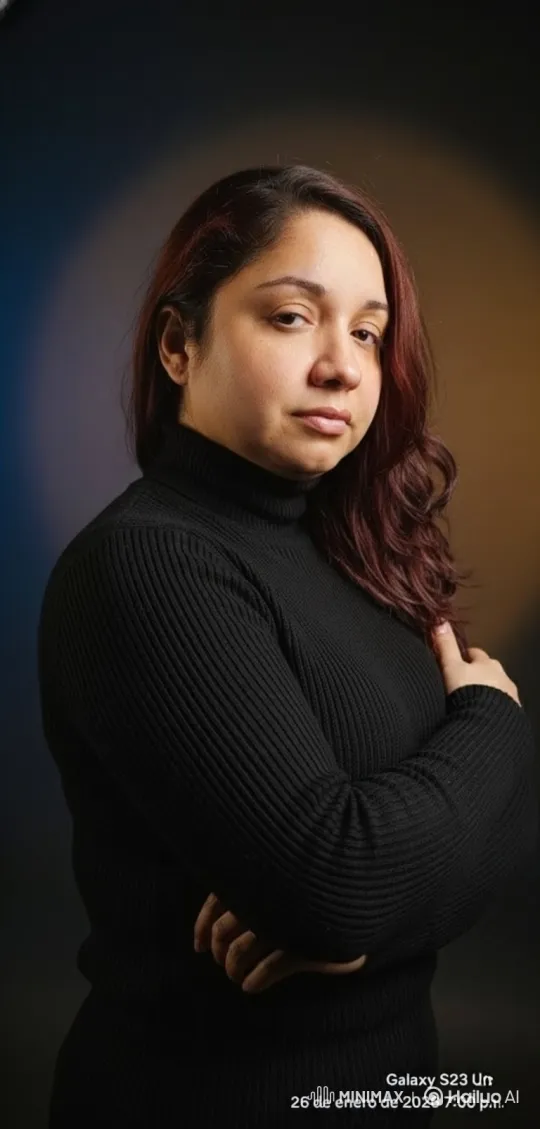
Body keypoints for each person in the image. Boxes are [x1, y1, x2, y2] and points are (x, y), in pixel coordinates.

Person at [37, 164, 538, 1127]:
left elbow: (505, 839)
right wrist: (495, 720)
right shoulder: (145, 567)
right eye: (291, 317)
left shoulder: (356, 552)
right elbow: (344, 877)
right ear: (179, 343)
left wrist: (365, 922)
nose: (345, 367)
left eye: (367, 331)